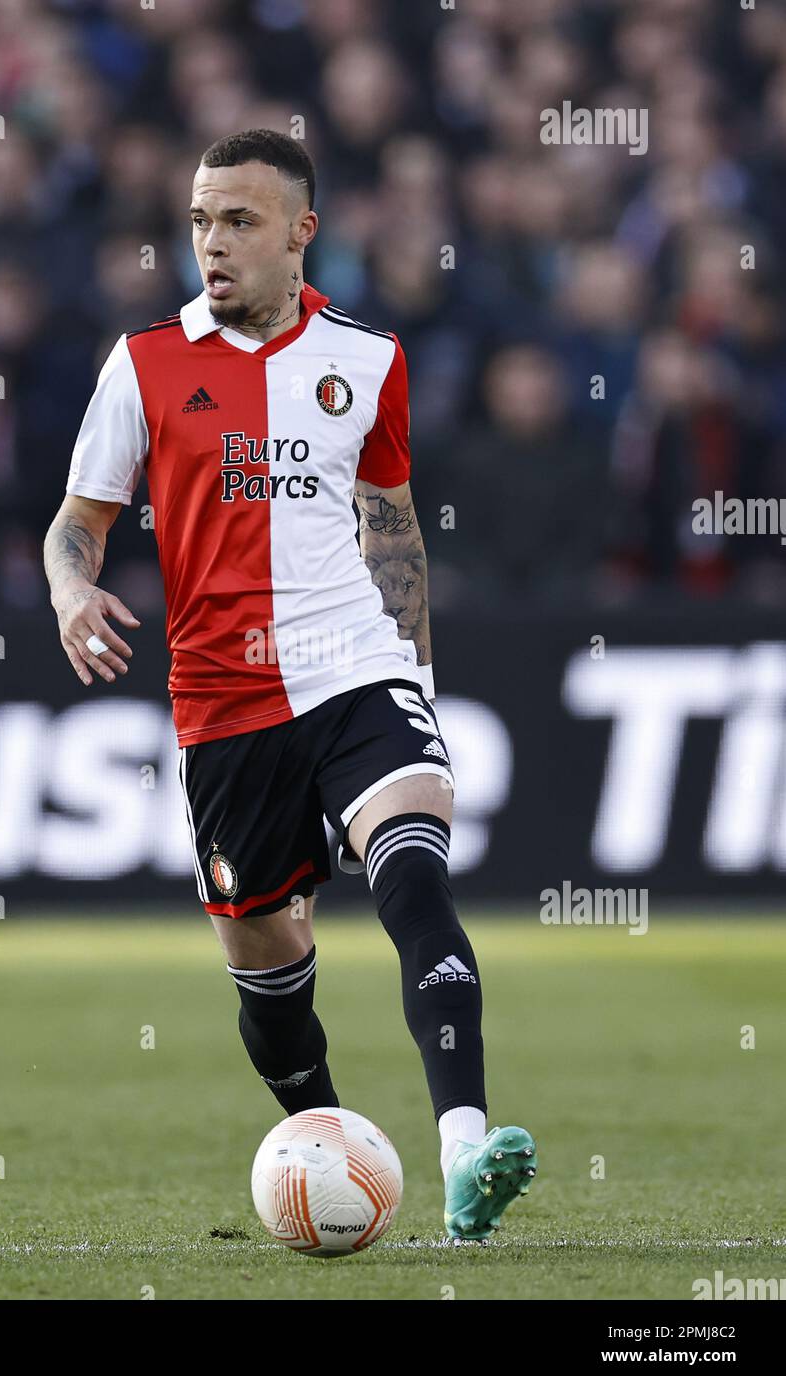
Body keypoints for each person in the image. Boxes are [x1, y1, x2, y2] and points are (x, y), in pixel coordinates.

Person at [43, 129, 535, 1244]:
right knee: (267, 971)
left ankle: (465, 1149)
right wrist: (72, 593)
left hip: (354, 670)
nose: (211, 243)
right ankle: (324, 1149)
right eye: (199, 221)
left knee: (414, 877)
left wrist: (413, 679)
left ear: (300, 233)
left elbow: (394, 529)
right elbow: (77, 524)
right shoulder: (144, 362)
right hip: (221, 708)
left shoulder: (368, 358)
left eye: (238, 221)